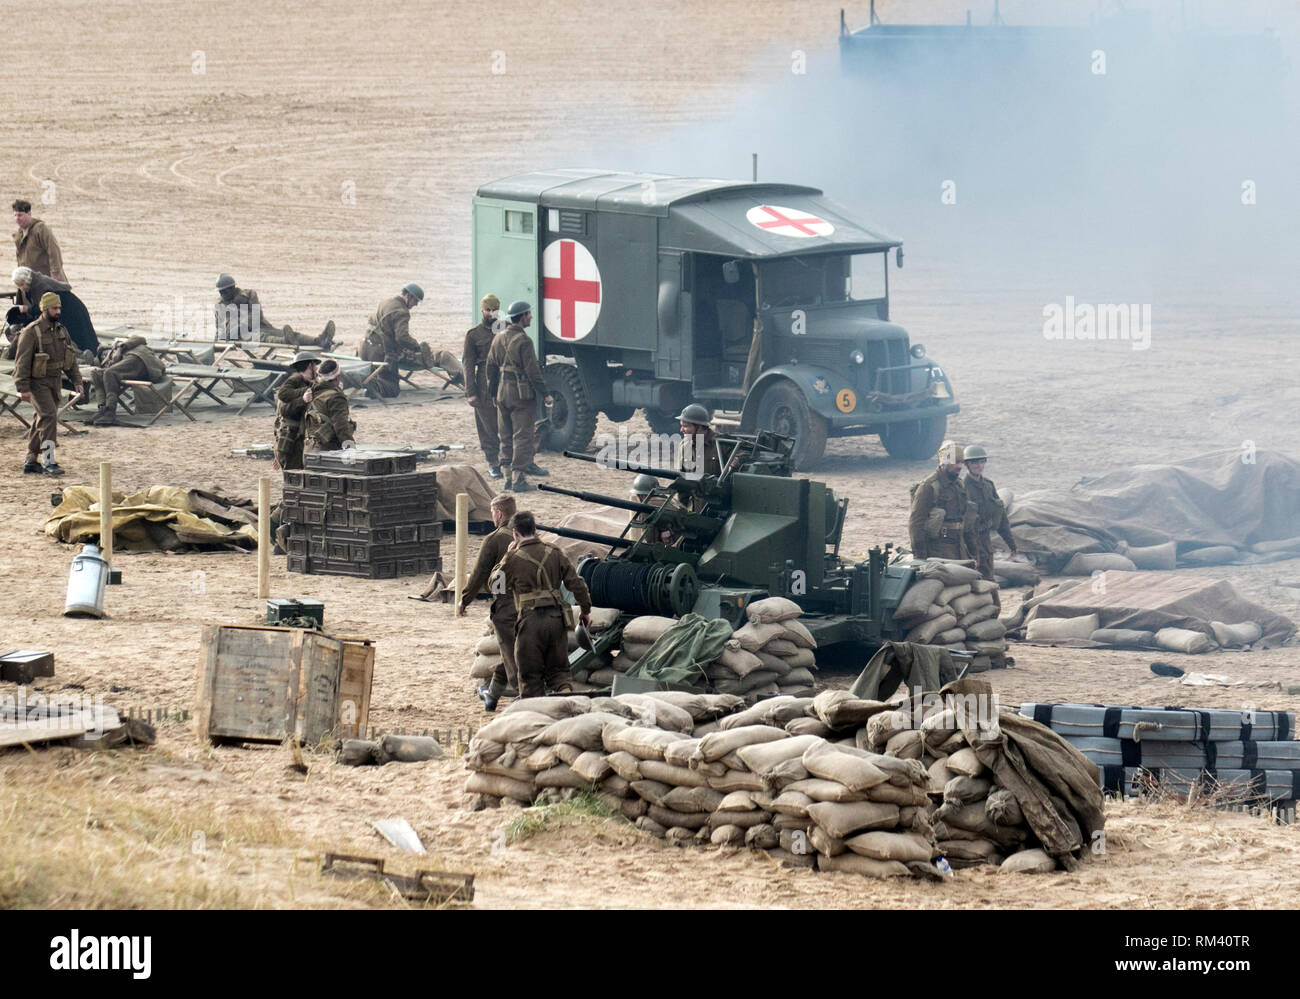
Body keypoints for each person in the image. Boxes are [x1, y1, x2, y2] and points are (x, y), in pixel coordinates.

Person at [491, 510, 591, 699]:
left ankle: (536, 718)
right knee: (559, 674)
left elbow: (495, 585)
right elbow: (577, 584)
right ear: (535, 529)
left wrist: (506, 556)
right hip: (556, 620)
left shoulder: (512, 558)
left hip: (530, 622)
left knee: (530, 678)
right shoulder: (554, 552)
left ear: (515, 533)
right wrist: (585, 611)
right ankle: (567, 702)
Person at [457, 493, 520, 712]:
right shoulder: (526, 534)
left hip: (506, 603)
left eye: (493, 512)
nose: (492, 516)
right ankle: (492, 694)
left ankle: (523, 695)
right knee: (512, 651)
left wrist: (464, 600)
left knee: (511, 651)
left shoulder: (495, 538)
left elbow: (479, 573)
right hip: (530, 602)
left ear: (499, 513)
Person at [485, 300, 551, 492]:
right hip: (521, 395)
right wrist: (545, 394)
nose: (530, 317)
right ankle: (518, 479)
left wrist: (492, 393)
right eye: (528, 314)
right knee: (523, 436)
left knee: (505, 436)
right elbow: (533, 372)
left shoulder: (498, 338)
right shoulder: (524, 341)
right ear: (522, 317)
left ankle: (506, 476)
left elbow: (490, 368)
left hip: (501, 393)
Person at [13, 291, 81, 475]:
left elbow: (71, 358)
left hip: (55, 381)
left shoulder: (61, 330)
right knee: (49, 416)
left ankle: (31, 459)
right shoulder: (31, 332)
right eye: (54, 308)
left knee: (41, 418)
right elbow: (22, 362)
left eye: (59, 307)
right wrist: (23, 388)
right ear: (44, 309)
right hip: (37, 383)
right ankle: (49, 460)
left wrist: (77, 380)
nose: (58, 311)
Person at [213, 274, 335, 348]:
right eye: (220, 291)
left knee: (285, 333)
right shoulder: (220, 305)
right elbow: (225, 329)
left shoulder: (248, 294)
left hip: (260, 326)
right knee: (263, 337)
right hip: (240, 335)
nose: (222, 294)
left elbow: (257, 316)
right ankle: (285, 341)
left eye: (225, 291)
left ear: (233, 288)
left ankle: (319, 341)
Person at [908, 441, 976, 560]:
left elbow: (965, 520)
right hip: (938, 550)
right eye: (955, 462)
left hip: (959, 548)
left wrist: (973, 550)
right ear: (944, 462)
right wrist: (920, 556)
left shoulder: (960, 485)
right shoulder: (929, 486)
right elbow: (916, 524)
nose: (959, 466)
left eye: (961, 462)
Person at [961, 444, 1017, 581]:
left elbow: (1001, 516)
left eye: (982, 462)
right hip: (969, 542)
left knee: (989, 578)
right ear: (967, 464)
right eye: (974, 462)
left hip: (985, 540)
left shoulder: (988, 485)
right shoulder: (962, 487)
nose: (979, 466)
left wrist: (1011, 544)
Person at [462, 293, 503, 478]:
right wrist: (471, 392)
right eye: (488, 310)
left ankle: (515, 462)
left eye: (495, 310)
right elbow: (468, 365)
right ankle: (493, 463)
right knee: (488, 426)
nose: (491, 313)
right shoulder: (474, 335)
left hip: (507, 382)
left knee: (512, 424)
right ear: (482, 310)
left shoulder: (506, 330)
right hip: (484, 384)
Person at [12, 267, 98, 352]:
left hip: (71, 310)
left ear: (26, 280)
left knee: (81, 338)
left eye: (22, 285)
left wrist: (27, 309)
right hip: (64, 308)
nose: (21, 288)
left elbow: (44, 307)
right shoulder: (35, 281)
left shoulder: (40, 285)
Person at [87, 335, 165, 426]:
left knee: (109, 373)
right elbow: (108, 373)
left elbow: (141, 338)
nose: (105, 357)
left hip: (143, 361)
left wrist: (120, 349)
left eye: (105, 354)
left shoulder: (126, 346)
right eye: (103, 358)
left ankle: (110, 411)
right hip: (134, 370)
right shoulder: (114, 364)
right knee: (96, 374)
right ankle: (103, 409)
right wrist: (110, 364)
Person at [273, 352, 320, 470]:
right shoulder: (296, 379)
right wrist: (303, 398)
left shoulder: (305, 382)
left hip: (298, 437)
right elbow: (284, 406)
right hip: (291, 439)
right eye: (315, 366)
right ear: (310, 366)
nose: (316, 369)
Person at [303, 359, 355, 451]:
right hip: (328, 451)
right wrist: (350, 450)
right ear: (337, 377)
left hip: (309, 449)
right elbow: (342, 427)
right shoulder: (336, 398)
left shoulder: (311, 391)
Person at [12, 200, 65, 282]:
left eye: (20, 215)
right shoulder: (20, 234)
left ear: (29, 213)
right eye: (15, 215)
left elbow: (54, 250)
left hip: (46, 278)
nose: (17, 219)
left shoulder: (40, 229)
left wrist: (55, 274)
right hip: (29, 281)